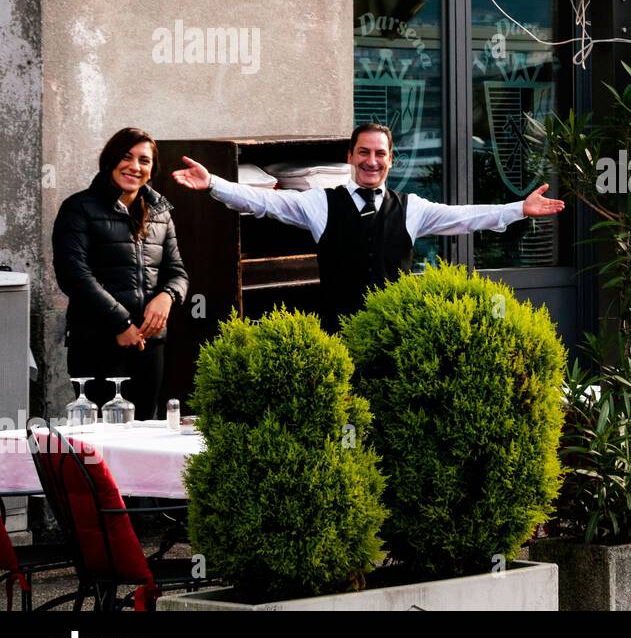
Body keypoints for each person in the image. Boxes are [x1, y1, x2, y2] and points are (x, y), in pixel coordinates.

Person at [171, 122, 565, 331]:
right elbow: (266, 201)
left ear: (391, 160)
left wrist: (518, 209)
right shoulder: (320, 203)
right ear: (350, 157)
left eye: (379, 154)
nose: (371, 161)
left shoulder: (412, 208)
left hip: (392, 333)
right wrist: (214, 184)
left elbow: (464, 217)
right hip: (336, 332)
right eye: (364, 153)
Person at [53, 127, 189, 420]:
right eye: (127, 157)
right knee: (100, 434)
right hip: (96, 341)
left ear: (152, 170)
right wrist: (121, 322)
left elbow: (177, 272)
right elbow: (73, 274)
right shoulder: (78, 208)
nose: (135, 167)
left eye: (144, 160)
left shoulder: (160, 213)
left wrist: (167, 296)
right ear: (110, 159)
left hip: (149, 344)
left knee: (145, 432)